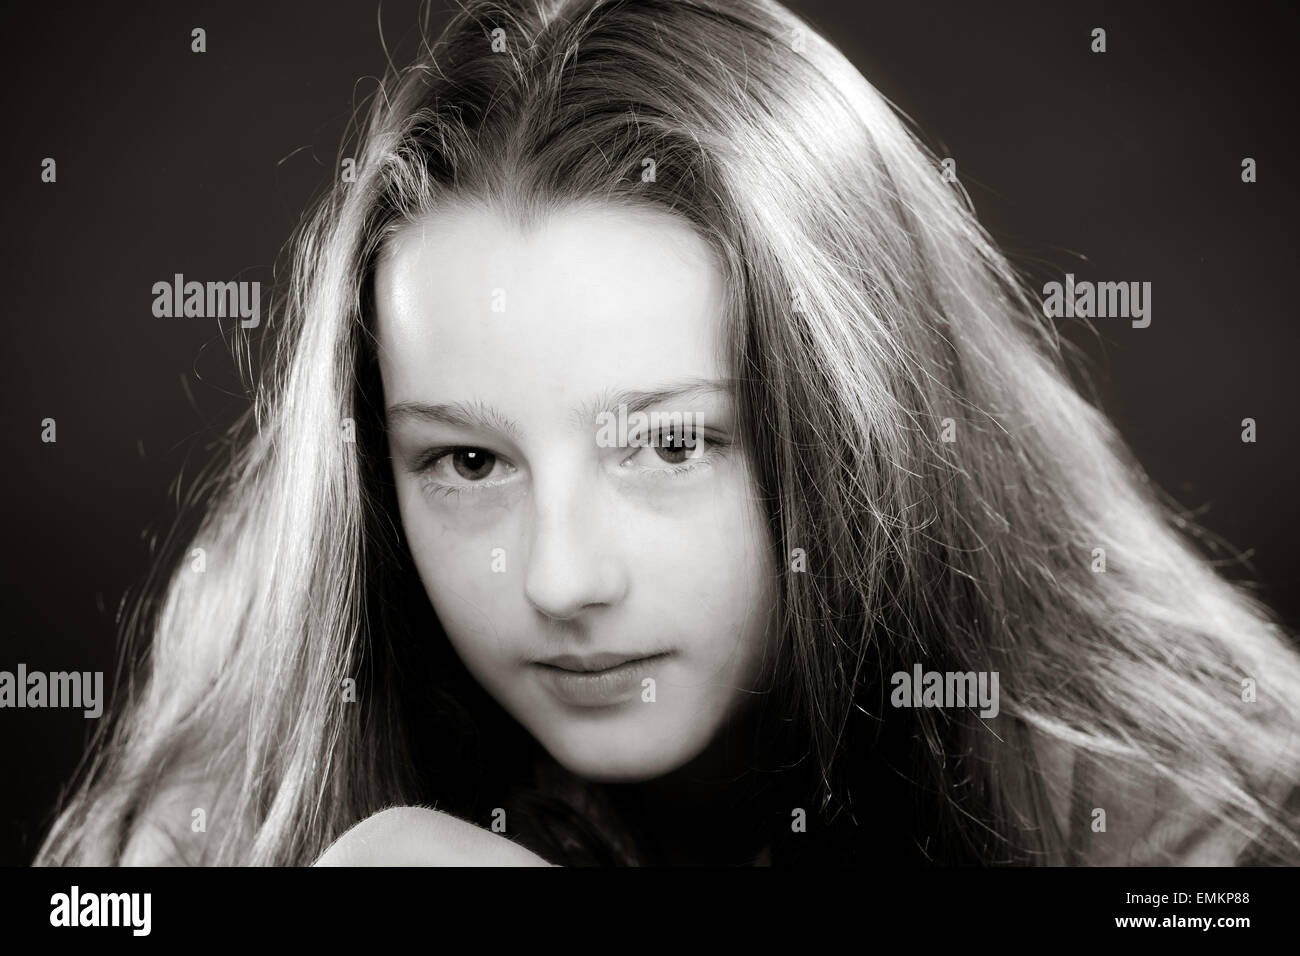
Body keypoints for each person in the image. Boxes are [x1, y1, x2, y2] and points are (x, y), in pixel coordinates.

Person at [36, 0, 1300, 867]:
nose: (563, 578)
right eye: (467, 461)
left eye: (674, 443)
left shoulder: (1171, 801)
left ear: (868, 429)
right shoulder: (271, 689)